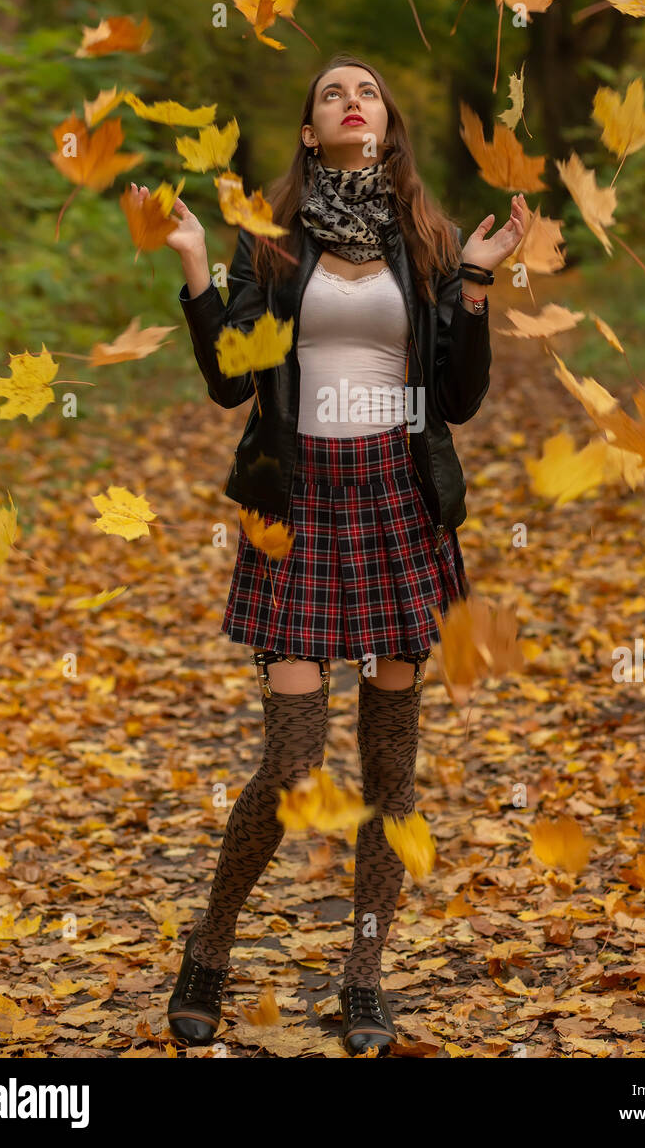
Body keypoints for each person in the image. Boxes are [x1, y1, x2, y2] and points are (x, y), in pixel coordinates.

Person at [132, 53, 525, 1057]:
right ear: (310, 133)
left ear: (386, 126)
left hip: (398, 506)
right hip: (298, 505)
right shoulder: (267, 247)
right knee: (294, 760)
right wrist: (188, 261)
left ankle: (361, 978)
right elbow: (231, 381)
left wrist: (475, 284)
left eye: (367, 93)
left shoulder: (429, 247)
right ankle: (208, 950)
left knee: (389, 775)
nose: (351, 102)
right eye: (330, 95)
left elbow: (461, 397)